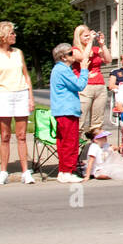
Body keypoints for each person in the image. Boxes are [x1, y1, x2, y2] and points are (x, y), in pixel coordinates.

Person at [0, 21, 35, 185]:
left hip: (20, 93)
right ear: (3, 36)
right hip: (4, 94)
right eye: (11, 33)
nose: (14, 35)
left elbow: (26, 76)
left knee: (21, 135)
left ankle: (25, 171)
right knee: (5, 136)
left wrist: (30, 97)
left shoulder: (18, 53)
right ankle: (3, 171)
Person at [49, 42, 88, 183]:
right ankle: (68, 170)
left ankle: (63, 170)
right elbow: (79, 85)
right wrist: (84, 70)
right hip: (67, 111)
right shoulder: (62, 70)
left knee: (64, 142)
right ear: (63, 57)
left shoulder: (59, 69)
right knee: (70, 143)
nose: (73, 55)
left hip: (63, 110)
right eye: (71, 53)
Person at [71, 25, 109, 143]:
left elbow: (108, 60)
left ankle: (96, 151)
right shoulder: (75, 50)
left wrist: (102, 44)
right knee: (80, 121)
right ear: (79, 37)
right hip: (84, 87)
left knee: (97, 124)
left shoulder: (96, 50)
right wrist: (91, 42)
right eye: (85, 36)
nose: (88, 38)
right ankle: (74, 154)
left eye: (89, 35)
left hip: (100, 86)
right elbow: (83, 58)